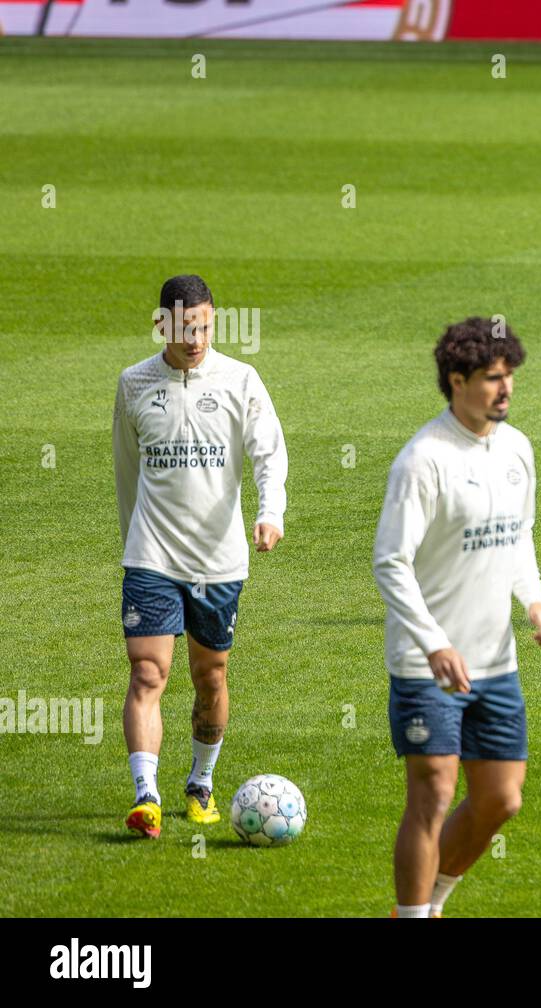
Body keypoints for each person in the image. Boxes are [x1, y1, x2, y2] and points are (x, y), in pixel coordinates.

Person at [373, 317, 541, 918]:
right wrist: (433, 643)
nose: (505, 389)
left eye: (509, 377)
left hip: (494, 660)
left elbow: (518, 537)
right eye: (491, 379)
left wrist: (532, 598)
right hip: (427, 666)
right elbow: (390, 562)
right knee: (432, 793)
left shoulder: (517, 448)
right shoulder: (422, 460)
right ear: (456, 381)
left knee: (501, 800)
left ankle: (434, 902)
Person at [113, 274, 287, 837]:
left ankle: (201, 783)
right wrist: (132, 545)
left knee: (209, 676)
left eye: (206, 327)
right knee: (147, 672)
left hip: (219, 560)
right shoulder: (134, 383)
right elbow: (126, 472)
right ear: (163, 324)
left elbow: (269, 451)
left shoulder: (240, 380)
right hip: (151, 556)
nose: (196, 339)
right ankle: (147, 797)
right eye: (186, 328)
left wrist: (271, 511)